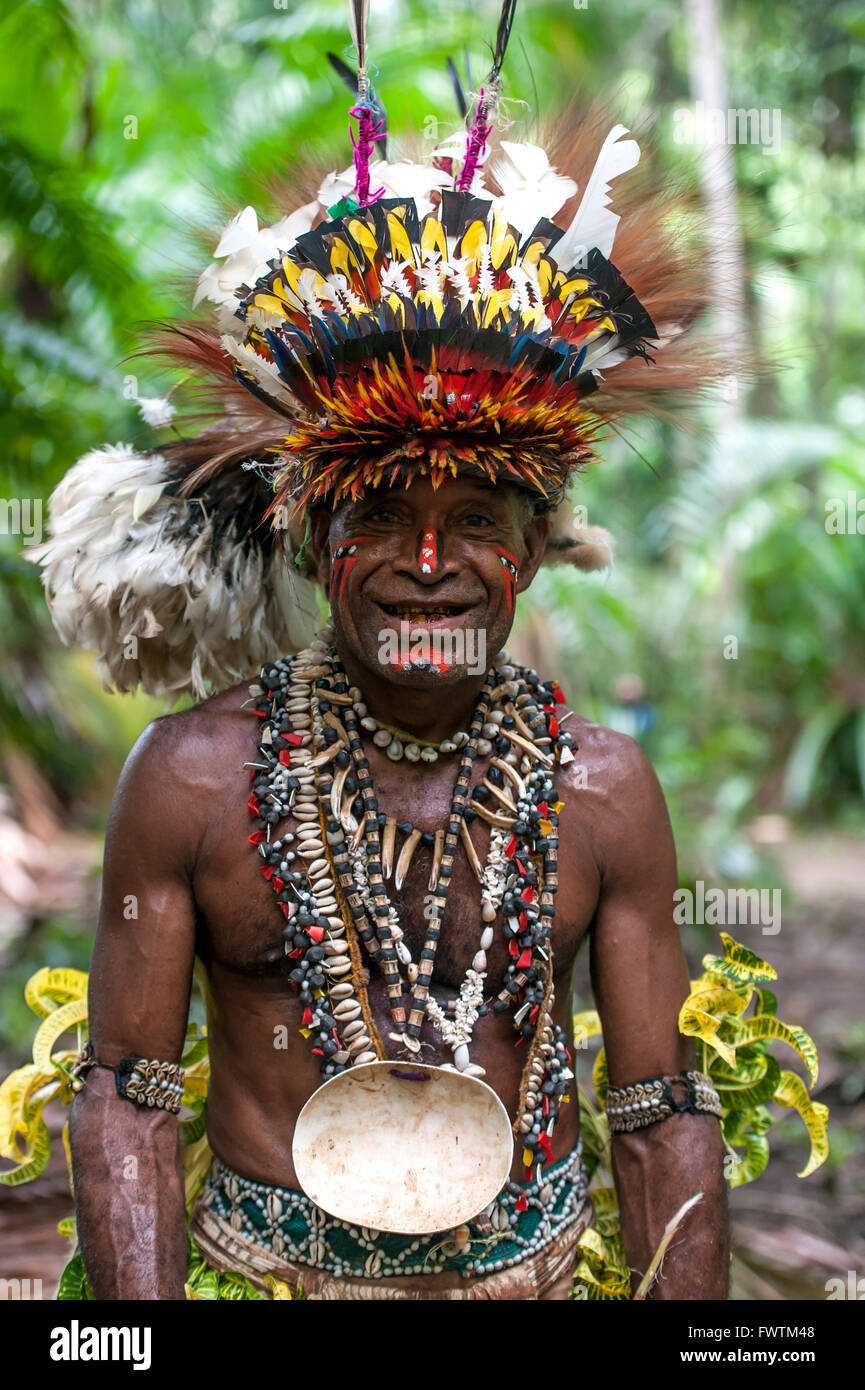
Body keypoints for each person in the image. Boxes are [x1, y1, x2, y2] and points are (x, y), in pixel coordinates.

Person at [31, 1, 729, 1300]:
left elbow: (658, 1105)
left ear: (532, 548)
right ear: (307, 542)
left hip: (534, 1273)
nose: (427, 559)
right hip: (267, 1275)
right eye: (381, 517)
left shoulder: (604, 791)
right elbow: (124, 1096)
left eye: (473, 519)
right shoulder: (187, 778)